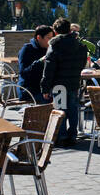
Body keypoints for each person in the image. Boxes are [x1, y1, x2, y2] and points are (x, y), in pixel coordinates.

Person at [41, 17, 87, 147]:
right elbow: (82, 63)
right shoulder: (79, 44)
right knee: (73, 109)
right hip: (73, 82)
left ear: (55, 32)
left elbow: (48, 70)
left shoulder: (54, 46)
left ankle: (61, 137)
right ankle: (72, 135)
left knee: (60, 110)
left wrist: (45, 87)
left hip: (59, 84)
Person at [17, 25, 53, 102]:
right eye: (48, 38)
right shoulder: (27, 49)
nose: (51, 41)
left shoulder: (47, 49)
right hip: (28, 90)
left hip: (44, 89)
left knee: (65, 98)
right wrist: (40, 62)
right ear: (39, 38)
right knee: (53, 101)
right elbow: (23, 73)